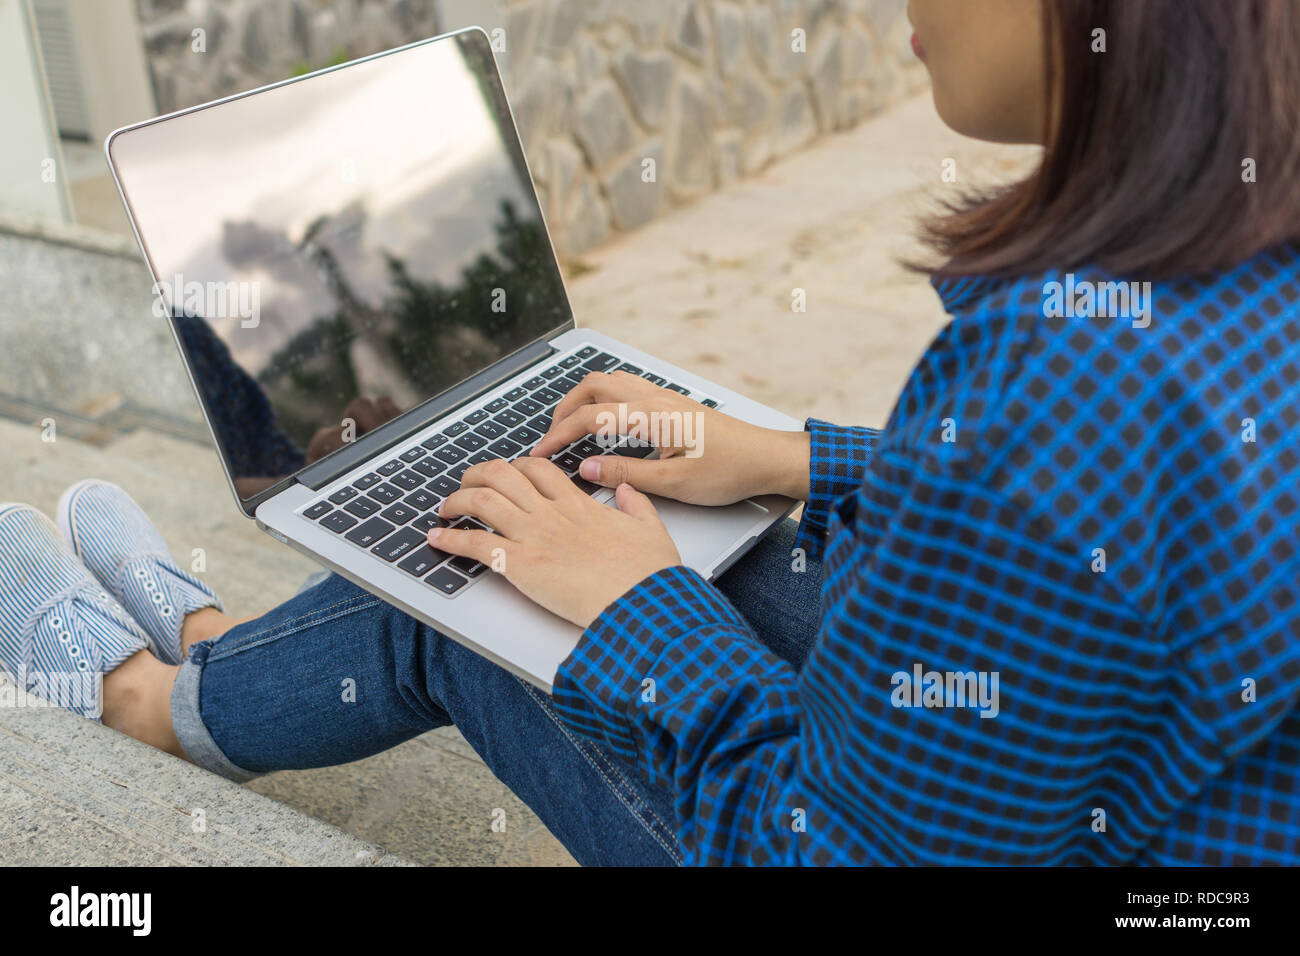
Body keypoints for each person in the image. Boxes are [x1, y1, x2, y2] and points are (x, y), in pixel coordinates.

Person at [3, 0, 1298, 865]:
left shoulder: (1076, 372)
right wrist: (788, 459)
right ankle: (229, 657)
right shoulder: (1223, 276)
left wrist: (635, 612)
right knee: (534, 517)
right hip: (1102, 801)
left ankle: (157, 703)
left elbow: (822, 851)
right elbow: (1086, 552)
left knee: (481, 573)